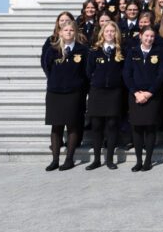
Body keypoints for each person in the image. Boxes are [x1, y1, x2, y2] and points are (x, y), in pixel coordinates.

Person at [41, 19, 88, 171]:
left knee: (73, 126)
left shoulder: (82, 50)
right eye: (65, 30)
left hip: (74, 93)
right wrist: (56, 81)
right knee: (56, 126)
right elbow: (47, 68)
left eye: (71, 30)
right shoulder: (52, 50)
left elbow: (86, 72)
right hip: (55, 93)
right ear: (60, 32)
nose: (68, 32)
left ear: (75, 33)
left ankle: (69, 159)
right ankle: (55, 160)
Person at [123, 27, 163, 171]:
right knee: (137, 128)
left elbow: (161, 75)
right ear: (140, 36)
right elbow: (127, 74)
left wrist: (149, 93)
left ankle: (148, 160)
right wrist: (136, 93)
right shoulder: (132, 52)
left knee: (150, 128)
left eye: (152, 36)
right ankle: (138, 161)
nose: (149, 39)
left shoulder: (159, 52)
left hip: (152, 96)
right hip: (135, 96)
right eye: (146, 36)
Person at [84, 20, 125, 170]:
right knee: (96, 125)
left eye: (112, 31)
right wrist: (97, 81)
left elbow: (124, 71)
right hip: (97, 92)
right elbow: (88, 71)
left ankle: (109, 159)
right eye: (107, 31)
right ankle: (96, 159)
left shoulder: (121, 51)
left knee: (112, 125)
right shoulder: (95, 51)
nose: (109, 34)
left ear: (116, 34)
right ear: (102, 33)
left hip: (114, 92)